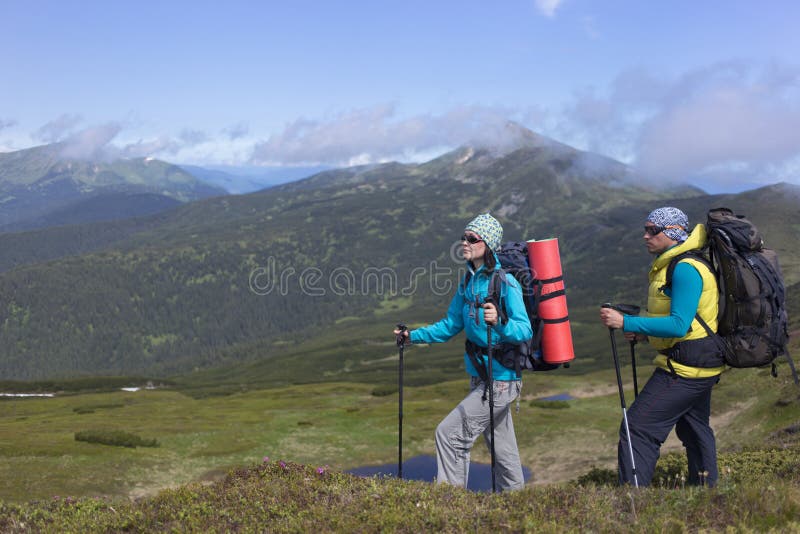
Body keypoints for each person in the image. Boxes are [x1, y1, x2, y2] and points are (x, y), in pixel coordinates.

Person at [394, 213, 532, 491]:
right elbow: (451, 324)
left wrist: (501, 323)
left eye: (472, 239)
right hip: (481, 377)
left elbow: (525, 330)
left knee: (450, 434)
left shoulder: (505, 282)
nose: (464, 243)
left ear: (488, 245)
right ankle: (517, 503)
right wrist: (412, 337)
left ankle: (451, 505)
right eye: (463, 237)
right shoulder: (468, 281)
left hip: (502, 379)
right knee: (501, 446)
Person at [599, 206, 726, 487]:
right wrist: (644, 334)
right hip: (700, 361)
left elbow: (679, 325)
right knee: (694, 429)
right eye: (645, 229)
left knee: (638, 428)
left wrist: (628, 323)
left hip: (686, 367)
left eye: (652, 230)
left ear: (673, 233)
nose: (645, 236)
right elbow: (691, 322)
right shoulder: (677, 264)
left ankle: (632, 500)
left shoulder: (686, 269)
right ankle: (707, 493)